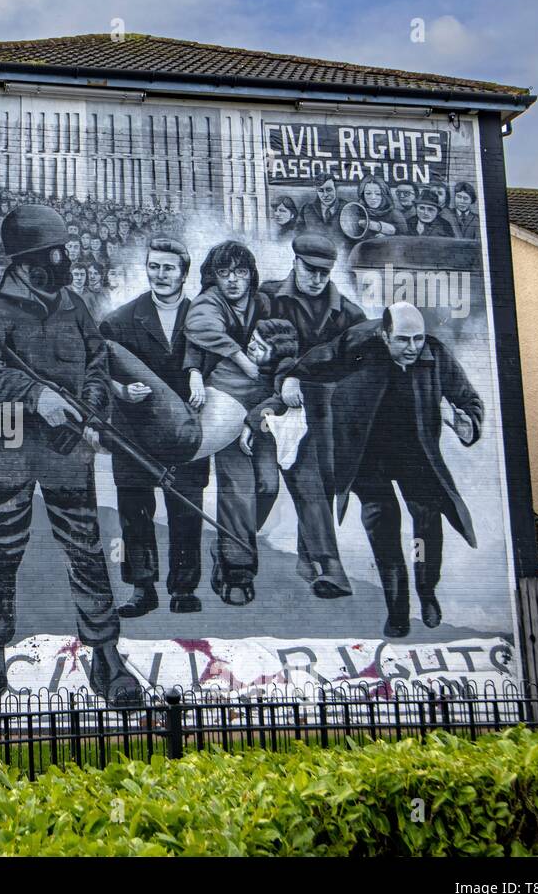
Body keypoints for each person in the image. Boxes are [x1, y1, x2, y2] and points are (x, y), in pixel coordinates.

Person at [0, 203, 138, 711]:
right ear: (28, 259)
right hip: (8, 456)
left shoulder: (72, 306)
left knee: (86, 552)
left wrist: (94, 411)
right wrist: (37, 395)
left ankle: (107, 657)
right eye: (56, 252)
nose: (65, 260)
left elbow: (98, 361)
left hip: (67, 455)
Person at [281, 302, 483, 636]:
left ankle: (427, 589)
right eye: (403, 340)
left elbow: (468, 398)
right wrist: (291, 378)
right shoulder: (359, 344)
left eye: (418, 339)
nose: (412, 348)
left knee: (427, 523)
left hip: (415, 455)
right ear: (384, 334)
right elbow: (320, 358)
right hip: (367, 456)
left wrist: (468, 425)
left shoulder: (433, 354)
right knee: (384, 527)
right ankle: (398, 609)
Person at [99, 238, 209, 617]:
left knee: (186, 509)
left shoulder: (204, 321)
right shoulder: (119, 321)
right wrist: (121, 391)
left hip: (186, 434)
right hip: (133, 432)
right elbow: (97, 372)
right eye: (154, 266)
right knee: (135, 511)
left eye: (168, 268)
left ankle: (183, 589)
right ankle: (142, 589)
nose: (160, 275)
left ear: (184, 273)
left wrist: (199, 378)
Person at [260, 233, 366, 599]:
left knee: (320, 483)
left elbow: (359, 368)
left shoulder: (350, 314)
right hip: (276, 407)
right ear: (295, 262)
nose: (318, 278)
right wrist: (282, 381)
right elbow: (254, 350)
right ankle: (332, 568)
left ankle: (308, 561)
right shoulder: (268, 299)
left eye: (325, 272)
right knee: (307, 481)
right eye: (310, 270)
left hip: (326, 415)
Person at [184, 241, 275, 603]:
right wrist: (199, 371)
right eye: (224, 273)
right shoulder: (209, 302)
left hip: (265, 404)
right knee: (238, 487)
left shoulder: (264, 302)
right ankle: (237, 572)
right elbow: (198, 331)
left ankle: (229, 544)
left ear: (251, 274)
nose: (233, 280)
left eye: (240, 272)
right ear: (213, 277)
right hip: (226, 401)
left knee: (267, 485)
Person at [298, 177, 348, 248]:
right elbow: (297, 235)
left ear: (335, 189)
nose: (325, 195)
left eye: (329, 190)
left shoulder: (347, 207)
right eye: (320, 190)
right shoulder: (306, 209)